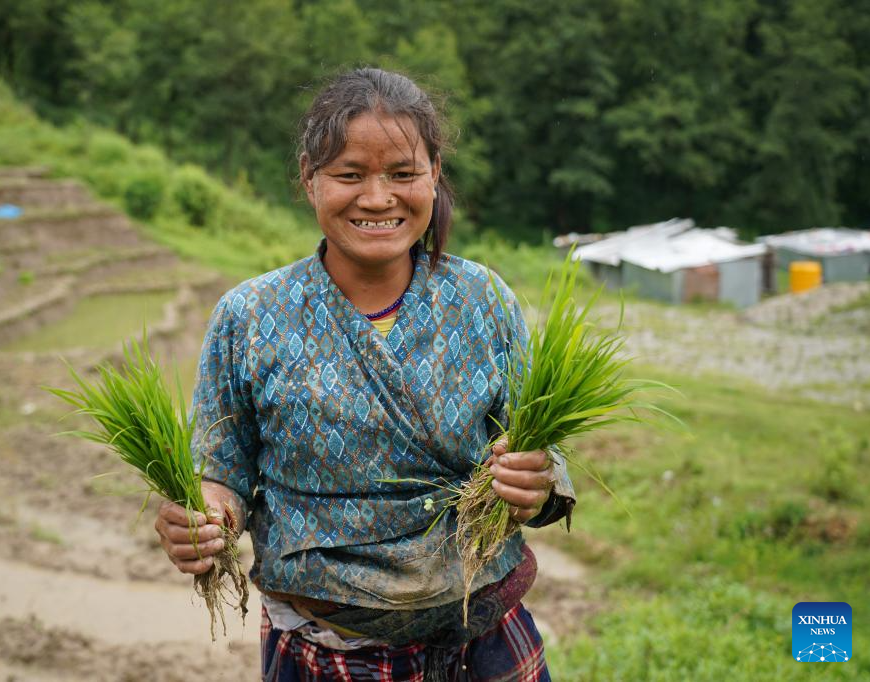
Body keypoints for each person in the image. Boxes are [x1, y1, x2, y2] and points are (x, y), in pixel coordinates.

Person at [155, 68, 575, 681]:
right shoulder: (250, 316)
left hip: (486, 642)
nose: (378, 198)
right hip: (329, 654)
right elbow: (222, 472)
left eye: (403, 174)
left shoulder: (482, 300)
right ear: (309, 180)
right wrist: (205, 521)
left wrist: (534, 481)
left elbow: (539, 449)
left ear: (435, 176)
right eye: (350, 175)